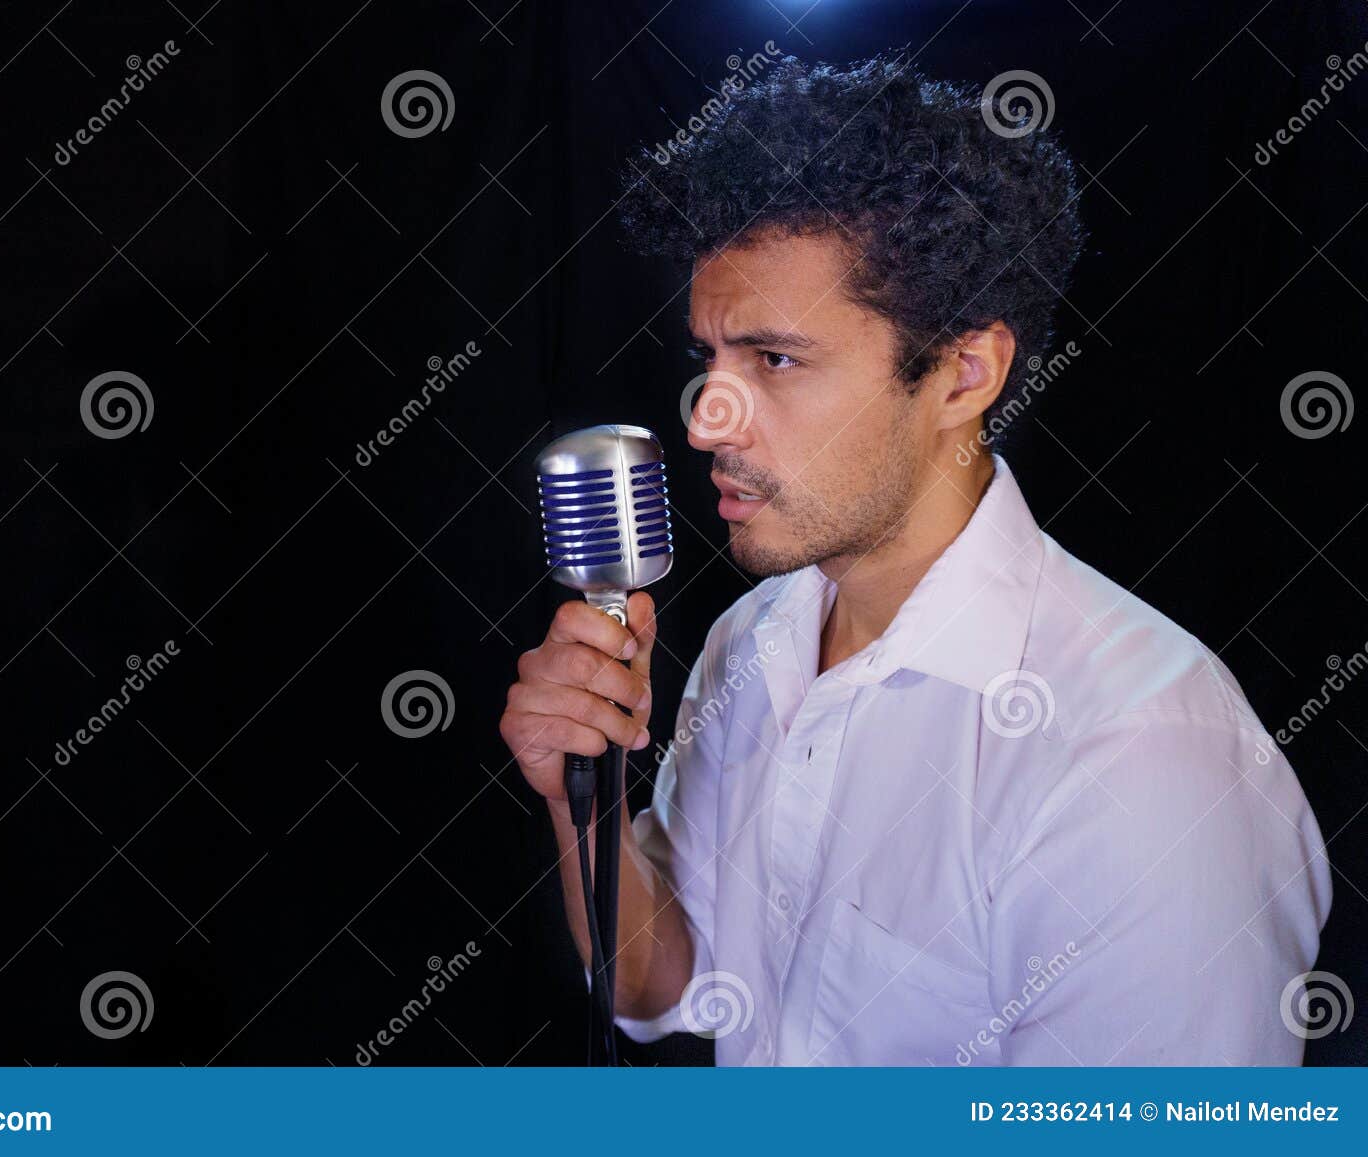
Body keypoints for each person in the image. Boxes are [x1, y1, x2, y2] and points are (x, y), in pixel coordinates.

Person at [498, 56, 1330, 1065]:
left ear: (961, 375)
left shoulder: (1142, 761)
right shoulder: (747, 643)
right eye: (706, 361)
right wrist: (581, 797)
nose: (707, 418)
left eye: (775, 360)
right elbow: (664, 984)